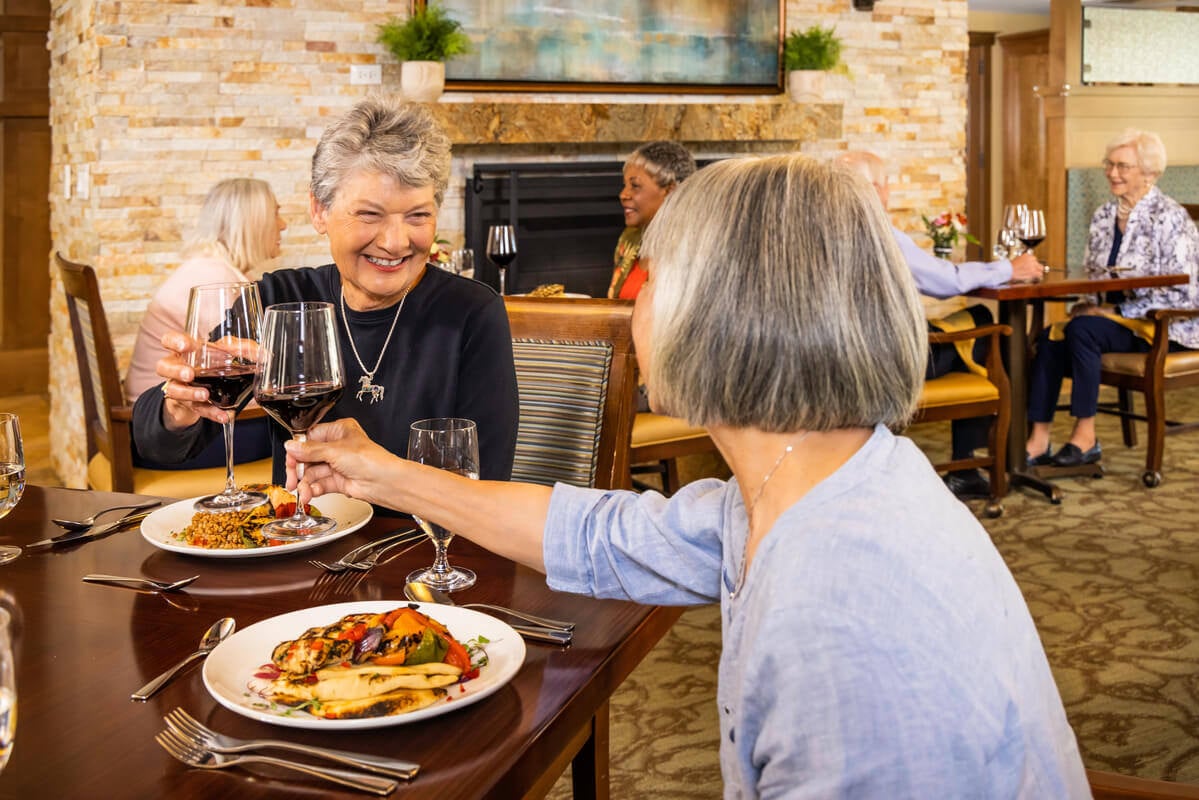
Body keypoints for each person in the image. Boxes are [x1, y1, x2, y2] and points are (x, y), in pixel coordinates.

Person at [286, 155, 1089, 796]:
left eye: (650, 281)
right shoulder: (811, 482)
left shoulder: (837, 613)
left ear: (723, 313)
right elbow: (595, 535)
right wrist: (380, 473)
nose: (631, 307)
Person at [131, 99, 519, 494]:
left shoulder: (471, 313)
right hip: (300, 527)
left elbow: (486, 484)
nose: (395, 242)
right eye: (369, 215)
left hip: (420, 532)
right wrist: (179, 406)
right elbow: (156, 443)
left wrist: (383, 477)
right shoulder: (277, 299)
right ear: (319, 211)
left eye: (417, 216)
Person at [838, 150, 1045, 499]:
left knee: (966, 327)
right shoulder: (878, 232)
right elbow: (946, 281)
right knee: (984, 329)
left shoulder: (817, 232)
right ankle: (971, 464)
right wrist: (1010, 268)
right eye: (886, 185)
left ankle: (982, 458)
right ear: (873, 189)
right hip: (890, 360)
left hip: (843, 355)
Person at [1025, 129, 1199, 468]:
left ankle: (1085, 437)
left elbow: (1186, 292)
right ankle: (1038, 439)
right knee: (1050, 337)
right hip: (1113, 321)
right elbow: (1094, 275)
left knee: (1083, 331)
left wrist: (1114, 310)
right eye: (1109, 164)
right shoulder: (1104, 216)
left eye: (1123, 166)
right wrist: (1089, 305)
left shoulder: (1170, 217)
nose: (1112, 172)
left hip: (1164, 326)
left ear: (1149, 173)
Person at [123, 178, 285, 468]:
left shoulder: (214, 268)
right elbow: (237, 377)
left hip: (161, 421)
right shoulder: (215, 279)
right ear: (253, 222)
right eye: (276, 214)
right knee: (293, 434)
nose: (283, 225)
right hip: (166, 432)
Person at [608, 140, 696, 300]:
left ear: (670, 192)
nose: (623, 195)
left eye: (635, 186)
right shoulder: (630, 238)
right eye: (625, 185)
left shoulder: (693, 251)